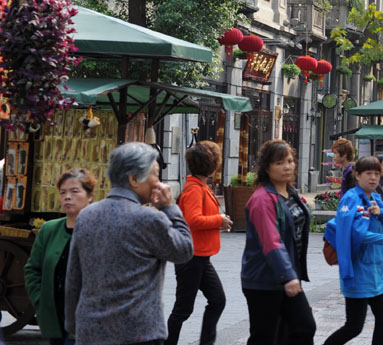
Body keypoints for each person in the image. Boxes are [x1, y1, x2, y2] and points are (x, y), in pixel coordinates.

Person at [66, 143, 193, 345]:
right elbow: (184, 250)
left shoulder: (86, 216)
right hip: (139, 332)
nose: (158, 182)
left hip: (91, 330)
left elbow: (74, 278)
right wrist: (170, 208)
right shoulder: (149, 219)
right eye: (155, 175)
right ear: (134, 179)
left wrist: (74, 324)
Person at [241, 139, 316, 345]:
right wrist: (288, 276)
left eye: (290, 161)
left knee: (299, 329)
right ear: (266, 168)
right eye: (280, 162)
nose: (287, 166)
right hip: (265, 280)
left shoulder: (290, 193)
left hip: (288, 275)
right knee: (265, 337)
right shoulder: (262, 199)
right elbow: (271, 241)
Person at [323, 156, 383, 345]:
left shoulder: (375, 198)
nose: (373, 178)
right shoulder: (351, 199)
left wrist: (381, 212)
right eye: (368, 173)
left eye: (376, 173)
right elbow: (354, 235)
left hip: (377, 272)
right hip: (358, 272)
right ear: (357, 176)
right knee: (354, 326)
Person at [167, 141, 233, 345]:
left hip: (201, 257)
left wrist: (219, 220)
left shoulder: (199, 186)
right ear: (212, 165)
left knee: (217, 300)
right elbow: (193, 220)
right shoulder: (195, 189)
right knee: (183, 309)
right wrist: (219, 220)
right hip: (192, 258)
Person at [25, 168, 96, 345]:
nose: (67, 197)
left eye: (74, 191)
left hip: (87, 320)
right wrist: (40, 300)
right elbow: (32, 269)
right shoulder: (49, 230)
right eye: (63, 192)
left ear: (89, 196)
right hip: (54, 315)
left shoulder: (99, 230)